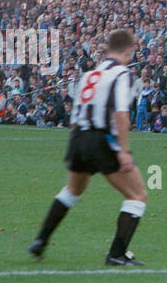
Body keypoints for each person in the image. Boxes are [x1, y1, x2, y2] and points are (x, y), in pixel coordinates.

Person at [28, 29, 149, 266]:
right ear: (129, 50)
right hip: (102, 139)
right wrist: (123, 150)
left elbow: (76, 115)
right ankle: (117, 254)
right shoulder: (122, 73)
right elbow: (121, 114)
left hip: (78, 137)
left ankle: (41, 240)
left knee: (73, 190)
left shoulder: (90, 74)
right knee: (137, 195)